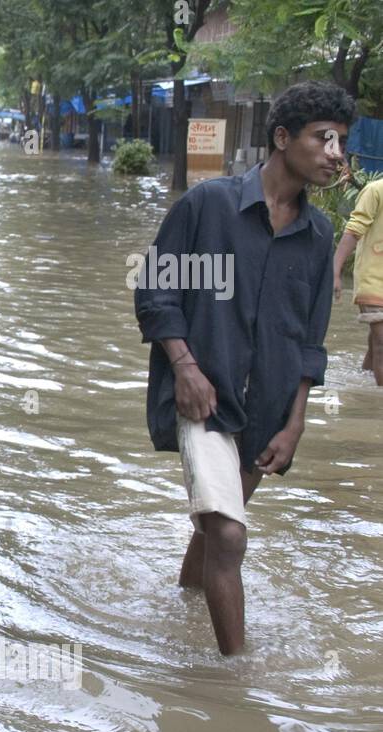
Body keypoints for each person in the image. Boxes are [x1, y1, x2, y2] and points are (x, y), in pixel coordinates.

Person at [134, 81, 353, 655]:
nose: (336, 152)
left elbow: (310, 342)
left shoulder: (319, 235)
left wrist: (295, 423)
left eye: (342, 142)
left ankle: (182, 606)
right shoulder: (208, 206)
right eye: (322, 138)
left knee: (213, 532)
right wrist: (184, 368)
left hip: (269, 411)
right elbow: (156, 292)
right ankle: (236, 677)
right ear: (282, 138)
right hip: (203, 398)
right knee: (229, 534)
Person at [332, 173, 383, 385]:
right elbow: (354, 230)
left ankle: (364, 389)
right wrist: (335, 270)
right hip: (374, 279)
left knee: (377, 344)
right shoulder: (375, 190)